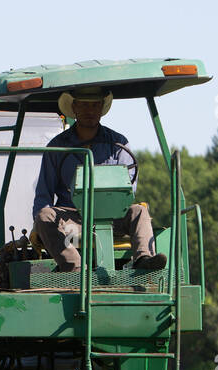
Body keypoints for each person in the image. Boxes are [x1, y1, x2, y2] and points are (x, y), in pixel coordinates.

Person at [30, 86, 166, 275]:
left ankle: (143, 259)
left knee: (139, 211)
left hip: (113, 218)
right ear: (74, 108)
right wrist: (40, 226)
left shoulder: (118, 144)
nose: (90, 111)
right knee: (44, 215)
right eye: (84, 105)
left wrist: (112, 204)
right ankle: (75, 268)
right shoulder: (57, 148)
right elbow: (43, 196)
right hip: (71, 220)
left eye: (95, 105)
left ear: (102, 108)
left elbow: (128, 191)